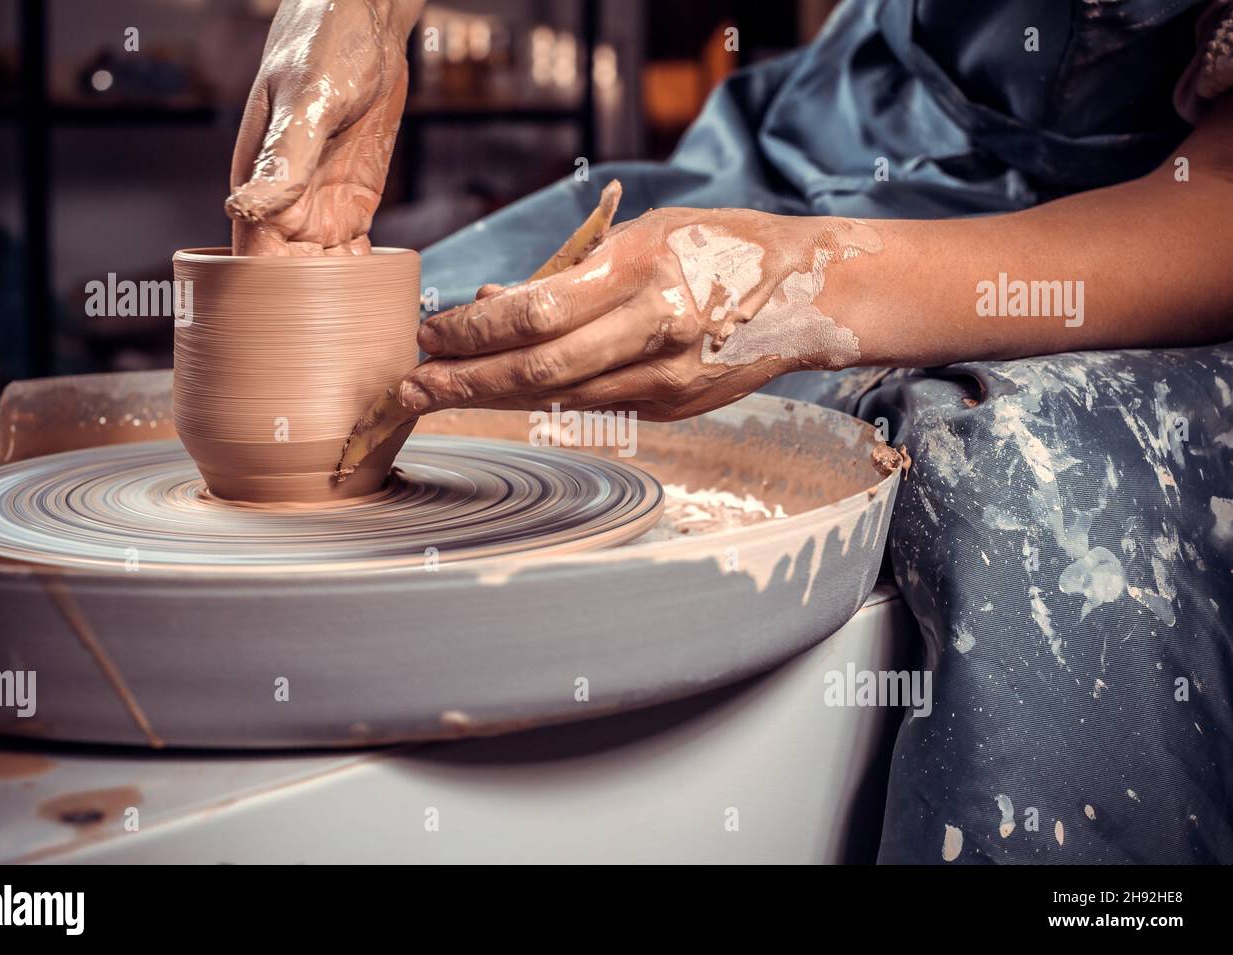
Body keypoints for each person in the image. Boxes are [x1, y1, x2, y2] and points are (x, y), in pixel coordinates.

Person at [227, 0, 1233, 864]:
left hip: (1151, 232)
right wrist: (357, 13)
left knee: (1010, 475)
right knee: (417, 333)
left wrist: (808, 288)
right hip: (869, 116)